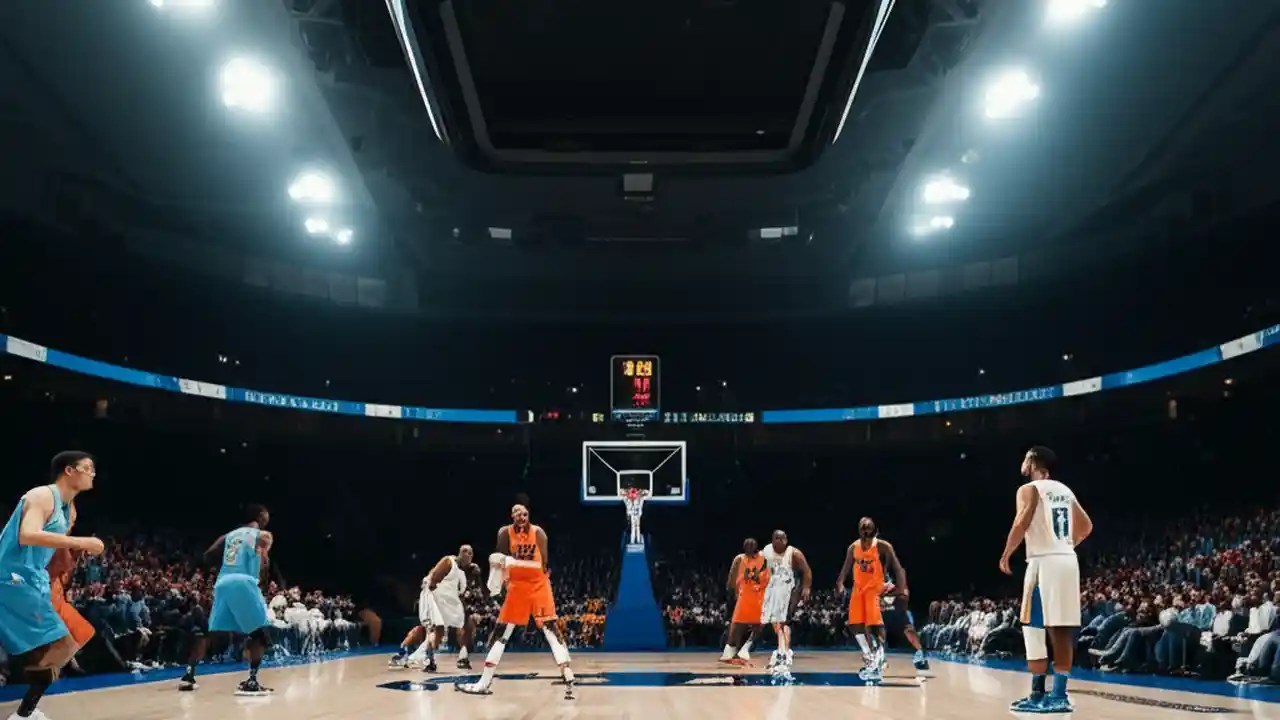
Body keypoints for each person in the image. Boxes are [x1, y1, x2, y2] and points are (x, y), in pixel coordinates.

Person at [0, 451, 105, 720]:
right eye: (87, 468)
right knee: (62, 644)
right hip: (11, 576)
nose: (92, 473)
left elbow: (52, 550)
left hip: (32, 579)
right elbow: (27, 535)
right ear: (69, 471)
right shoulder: (41, 496)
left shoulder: (70, 509)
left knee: (57, 648)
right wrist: (82, 542)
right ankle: (22, 713)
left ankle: (25, 709)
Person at [999, 446, 1092, 713]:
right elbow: (1086, 526)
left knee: (1037, 627)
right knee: (1055, 628)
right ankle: (1052, 695)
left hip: (1043, 561)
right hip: (1065, 559)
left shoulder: (1028, 489)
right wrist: (1066, 544)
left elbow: (1022, 520)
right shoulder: (1065, 489)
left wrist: (1006, 553)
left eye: (1025, 457)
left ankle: (1045, 695)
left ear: (1032, 462)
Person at [456, 504, 575, 698]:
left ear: (529, 515)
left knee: (550, 628)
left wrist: (511, 563)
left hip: (538, 585)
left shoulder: (539, 533)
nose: (521, 516)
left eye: (525, 513)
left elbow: (541, 565)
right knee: (501, 633)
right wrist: (499, 578)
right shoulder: (505, 533)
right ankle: (484, 682)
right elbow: (501, 559)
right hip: (517, 587)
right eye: (517, 513)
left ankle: (567, 671)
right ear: (511, 516)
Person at [179, 505, 276, 696]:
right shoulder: (262, 535)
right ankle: (251, 681)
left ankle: (188, 676)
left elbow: (208, 555)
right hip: (244, 582)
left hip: (223, 582)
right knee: (260, 635)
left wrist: (223, 568)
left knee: (211, 632)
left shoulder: (229, 535)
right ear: (261, 516)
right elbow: (264, 564)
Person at [835, 517, 906, 684]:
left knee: (874, 624)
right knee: (854, 624)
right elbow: (845, 569)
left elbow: (897, 567)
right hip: (858, 589)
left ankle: (879, 654)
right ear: (859, 530)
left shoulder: (882, 546)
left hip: (875, 588)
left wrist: (900, 588)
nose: (866, 530)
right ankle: (869, 655)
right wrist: (839, 583)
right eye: (863, 528)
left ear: (875, 529)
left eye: (869, 527)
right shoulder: (853, 547)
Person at [390, 544, 481, 672]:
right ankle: (421, 657)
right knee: (433, 629)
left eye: (470, 553)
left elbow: (462, 594)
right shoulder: (448, 562)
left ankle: (463, 657)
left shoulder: (466, 574)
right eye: (464, 551)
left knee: (462, 624)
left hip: (448, 600)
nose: (467, 554)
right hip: (433, 596)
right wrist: (434, 603)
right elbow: (433, 581)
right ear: (459, 553)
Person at [760, 530, 812, 673]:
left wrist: (806, 588)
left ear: (786, 540)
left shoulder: (794, 553)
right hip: (773, 589)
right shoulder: (766, 551)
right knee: (775, 622)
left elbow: (807, 571)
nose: (779, 541)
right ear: (772, 539)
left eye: (782, 538)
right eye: (776, 538)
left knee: (783, 621)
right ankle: (783, 650)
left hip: (791, 589)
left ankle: (784, 652)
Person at [720, 538, 768, 666]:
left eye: (752, 545)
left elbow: (767, 577)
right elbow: (731, 579)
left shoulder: (763, 559)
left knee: (760, 623)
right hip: (743, 595)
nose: (749, 547)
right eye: (747, 545)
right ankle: (730, 651)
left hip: (758, 596)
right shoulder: (739, 559)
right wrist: (731, 593)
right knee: (737, 624)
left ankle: (745, 648)